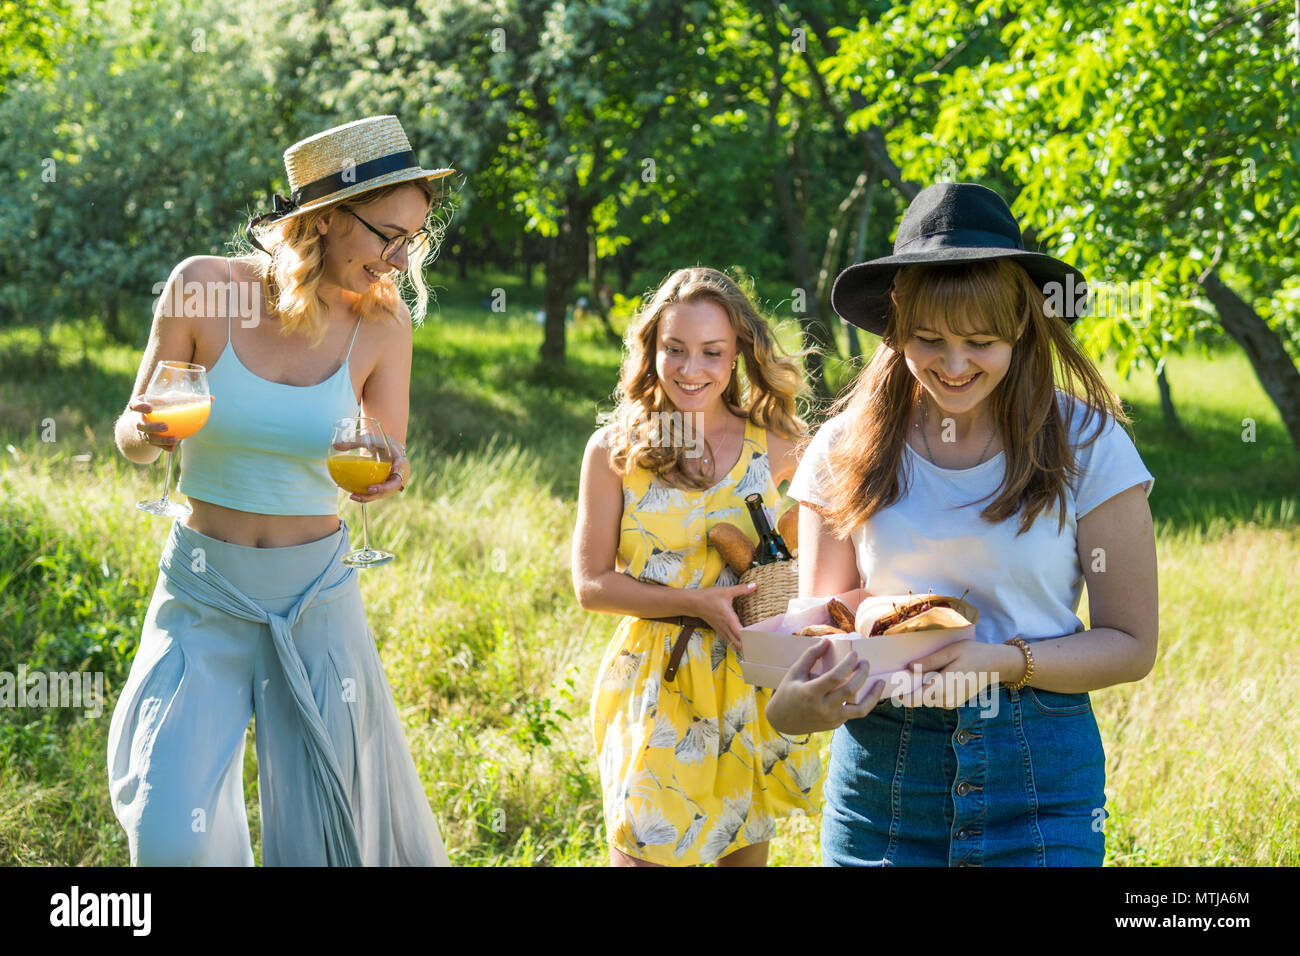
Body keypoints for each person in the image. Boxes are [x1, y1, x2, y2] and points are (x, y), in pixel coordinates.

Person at [766, 183, 1158, 867]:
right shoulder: (842, 447)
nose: (953, 366)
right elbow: (815, 628)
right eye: (929, 340)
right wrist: (812, 687)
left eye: (981, 341)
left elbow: (1130, 644)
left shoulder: (1088, 444)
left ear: (1022, 326)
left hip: (1039, 782)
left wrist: (1002, 663)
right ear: (895, 325)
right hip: (883, 786)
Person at [108, 115, 456, 866]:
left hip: (316, 600)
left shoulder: (383, 323)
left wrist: (390, 476)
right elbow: (132, 437)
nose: (400, 259)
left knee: (327, 837)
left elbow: (385, 462)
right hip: (204, 596)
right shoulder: (203, 288)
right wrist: (148, 433)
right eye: (387, 235)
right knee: (169, 835)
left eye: (414, 240)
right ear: (325, 217)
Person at [572, 266, 823, 867]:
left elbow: (838, 526)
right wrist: (695, 602)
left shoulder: (780, 443)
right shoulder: (615, 450)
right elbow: (591, 584)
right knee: (644, 848)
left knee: (741, 851)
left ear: (738, 354)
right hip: (659, 673)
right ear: (652, 348)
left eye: (712, 352)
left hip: (749, 677)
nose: (691, 370)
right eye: (675, 350)